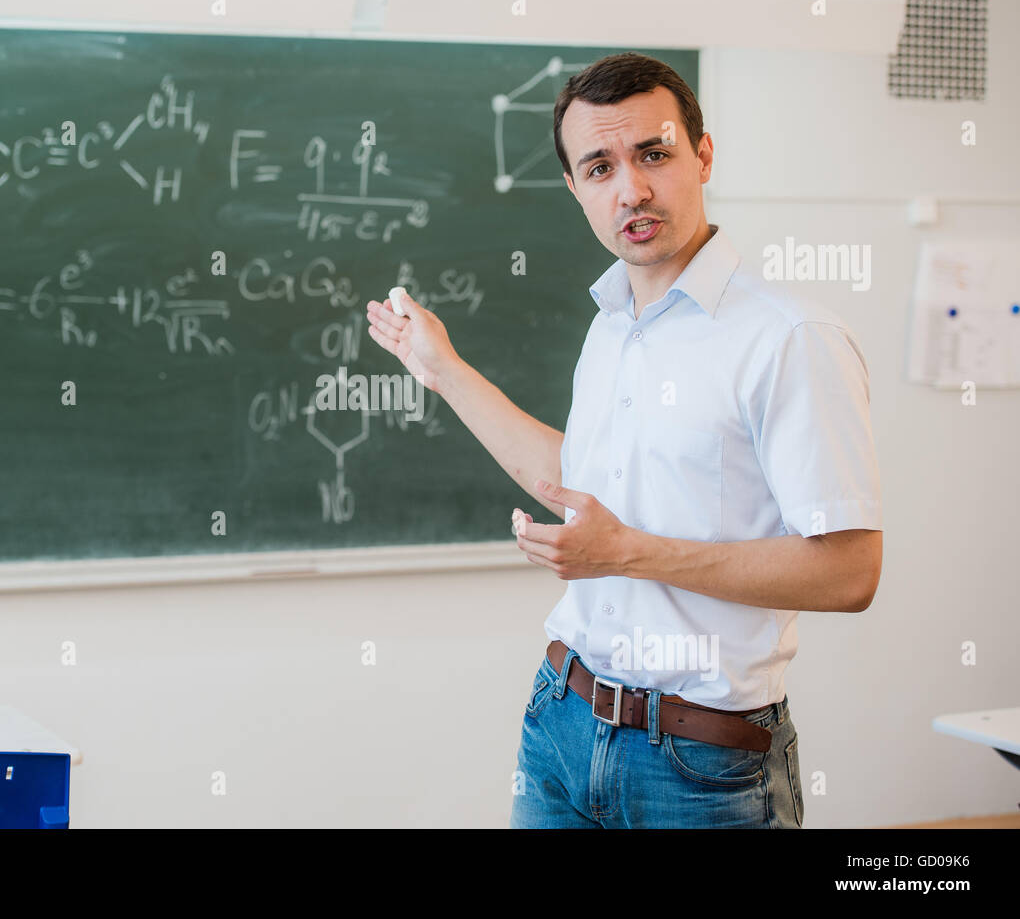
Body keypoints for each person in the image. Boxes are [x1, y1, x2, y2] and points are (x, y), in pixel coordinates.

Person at [364, 51, 882, 828]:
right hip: (562, 725)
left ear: (702, 156)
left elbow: (851, 572)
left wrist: (629, 551)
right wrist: (442, 369)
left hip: (701, 762)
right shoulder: (612, 327)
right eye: (600, 167)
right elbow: (572, 482)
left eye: (654, 154)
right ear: (575, 189)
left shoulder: (790, 338)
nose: (631, 189)